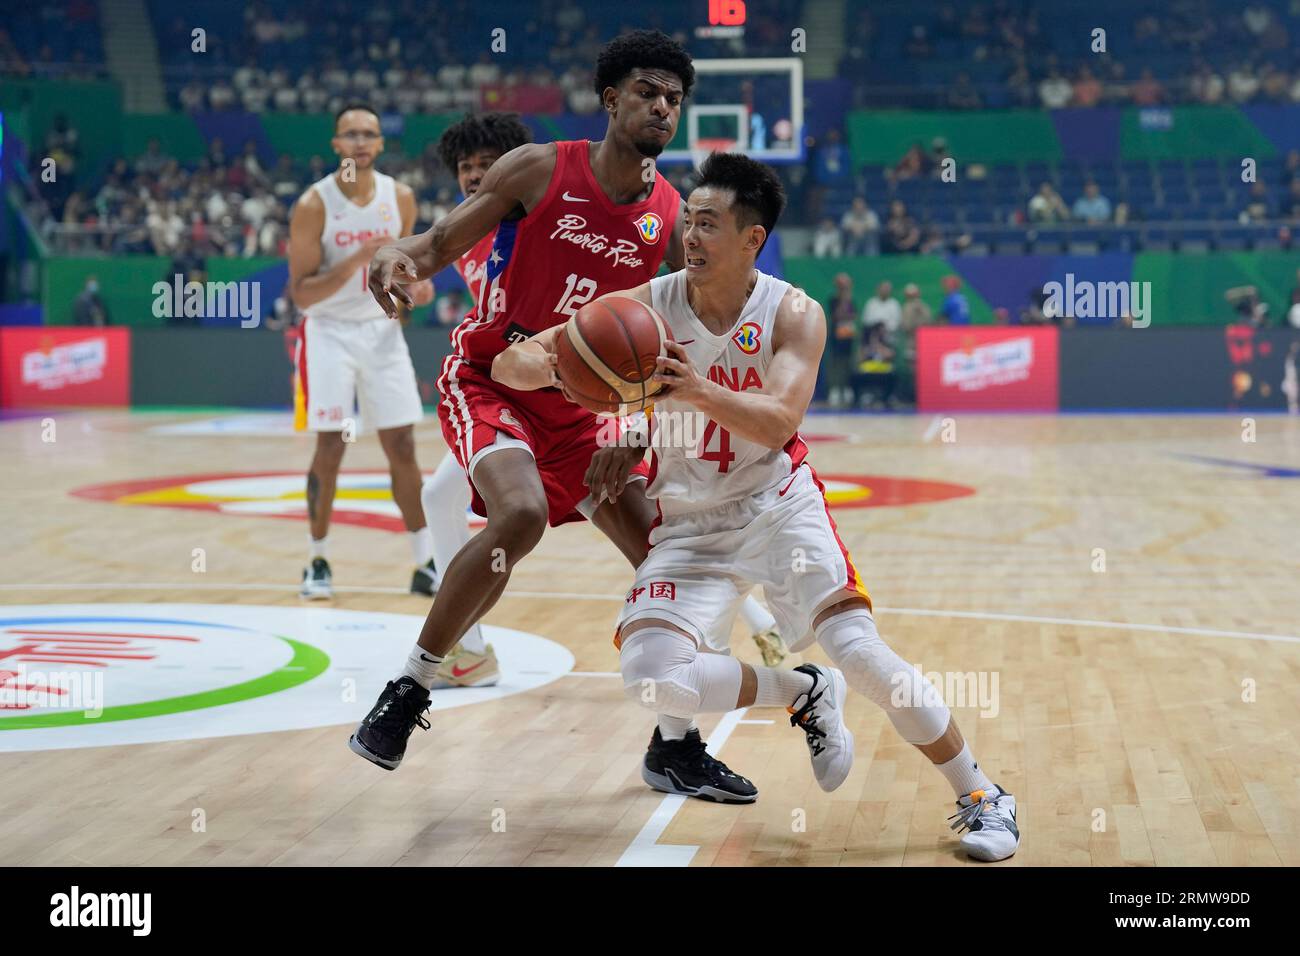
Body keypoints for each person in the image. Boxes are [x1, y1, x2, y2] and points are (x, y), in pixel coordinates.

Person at [495, 153, 1020, 861]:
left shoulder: (794, 312)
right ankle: (802, 691)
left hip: (777, 509)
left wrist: (687, 390)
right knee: (653, 680)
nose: (691, 235)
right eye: (689, 221)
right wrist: (570, 377)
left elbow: (777, 422)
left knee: (859, 651)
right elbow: (512, 366)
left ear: (753, 239)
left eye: (709, 224)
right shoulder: (647, 303)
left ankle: (983, 795)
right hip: (687, 521)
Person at [351, 31, 783, 803]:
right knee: (520, 516)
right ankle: (411, 689)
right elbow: (441, 240)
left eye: (674, 99)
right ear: (611, 98)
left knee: (668, 556)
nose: (662, 107)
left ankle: (674, 746)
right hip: (490, 378)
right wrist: (398, 256)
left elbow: (669, 343)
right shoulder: (539, 167)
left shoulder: (669, 217)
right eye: (648, 91)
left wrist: (633, 425)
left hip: (585, 408)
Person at [416, 111, 786, 692]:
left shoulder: (539, 211)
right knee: (447, 495)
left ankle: (718, 651)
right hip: (510, 389)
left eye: (486, 166)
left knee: (649, 541)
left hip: (581, 396)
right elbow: (438, 254)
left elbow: (668, 298)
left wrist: (640, 412)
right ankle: (465, 648)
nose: (474, 177)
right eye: (465, 168)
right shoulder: (471, 234)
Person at [287, 103, 437, 600]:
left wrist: (416, 290)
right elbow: (302, 295)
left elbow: (409, 278)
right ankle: (317, 559)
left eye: (369, 134)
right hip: (328, 331)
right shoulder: (315, 204)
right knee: (330, 446)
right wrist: (356, 259)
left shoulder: (401, 198)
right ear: (335, 145)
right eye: (350, 134)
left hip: (381, 331)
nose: (360, 142)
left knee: (403, 447)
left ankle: (424, 562)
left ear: (379, 142)